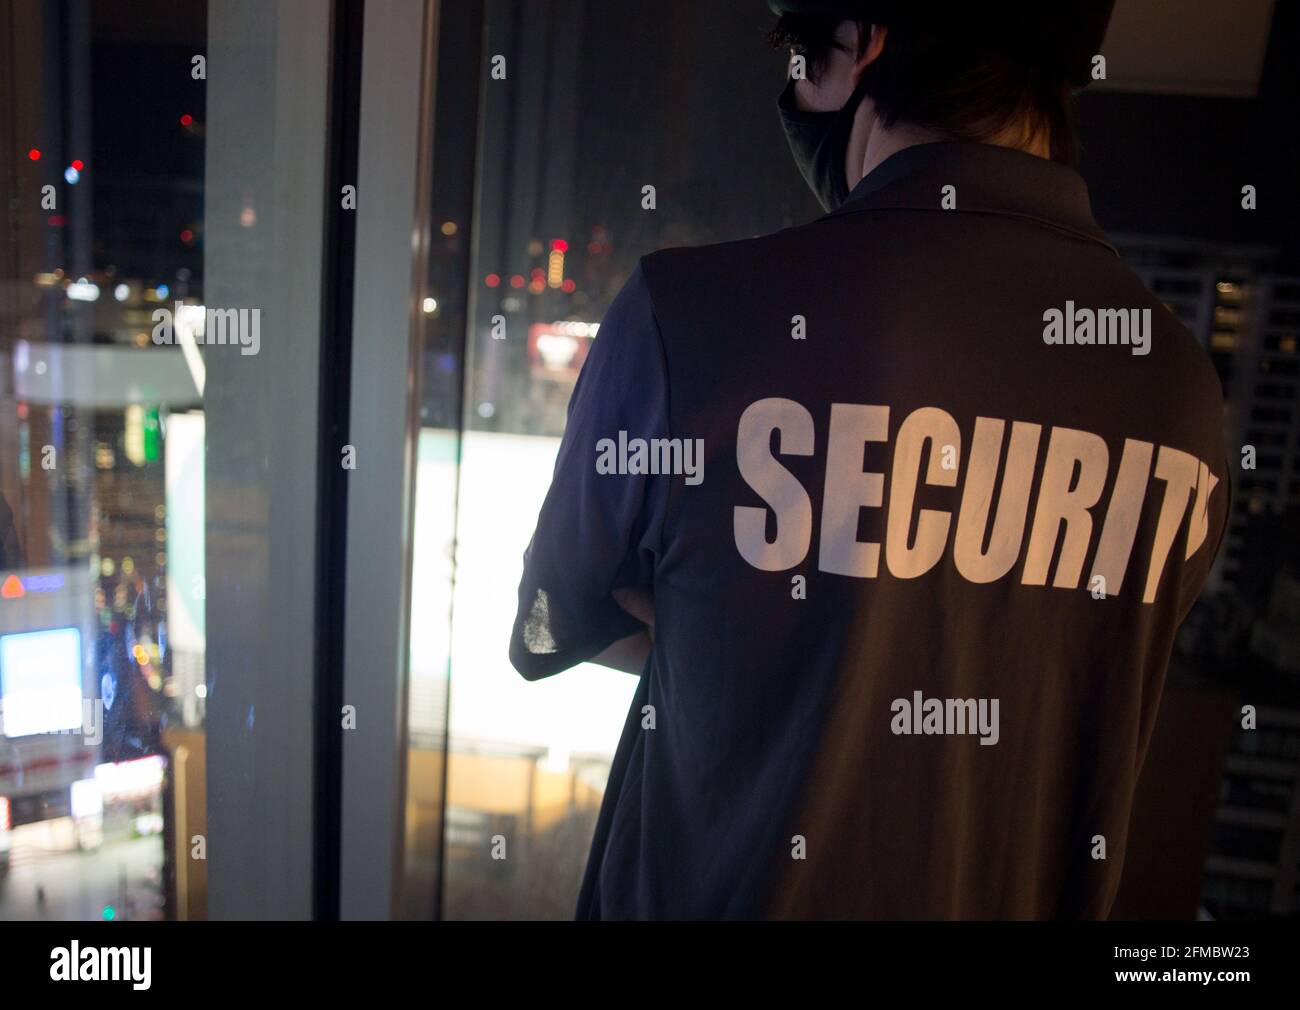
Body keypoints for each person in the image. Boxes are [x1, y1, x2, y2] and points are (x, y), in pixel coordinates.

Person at [509, 0, 1230, 919]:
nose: (796, 91)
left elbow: (545, 630)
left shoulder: (689, 318)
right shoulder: (1176, 391)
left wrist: (737, 623)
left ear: (862, 42)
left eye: (798, 54)